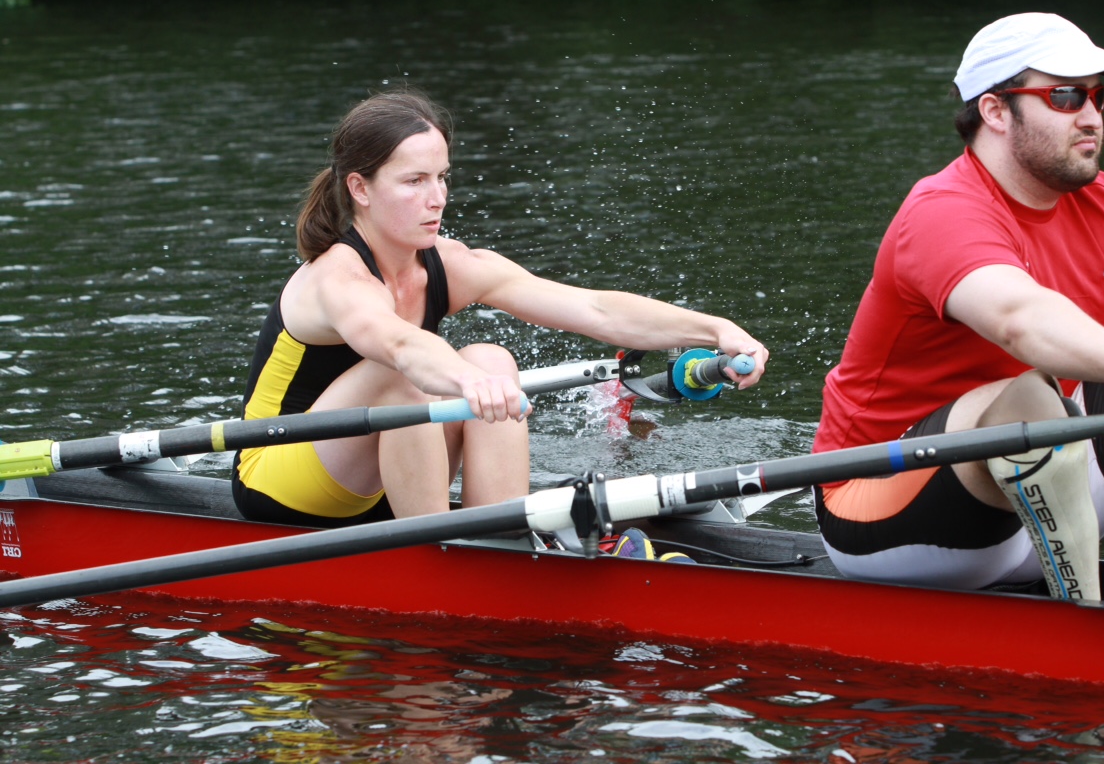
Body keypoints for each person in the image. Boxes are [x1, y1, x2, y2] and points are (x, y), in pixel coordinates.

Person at [813, 12, 1104, 610]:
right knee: (1030, 399)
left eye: (1096, 97)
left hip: (1037, 492)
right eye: (1065, 96)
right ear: (994, 111)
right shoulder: (941, 211)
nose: (1091, 115)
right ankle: (1090, 627)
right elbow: (1020, 318)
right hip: (879, 512)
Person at [232, 89, 767, 528]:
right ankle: (436, 558)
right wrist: (461, 378)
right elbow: (397, 343)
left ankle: (496, 539)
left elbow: (596, 311)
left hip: (383, 475)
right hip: (279, 475)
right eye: (414, 181)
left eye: (441, 177)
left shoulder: (448, 263)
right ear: (360, 188)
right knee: (403, 377)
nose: (436, 197)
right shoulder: (338, 277)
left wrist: (716, 328)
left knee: (491, 357)